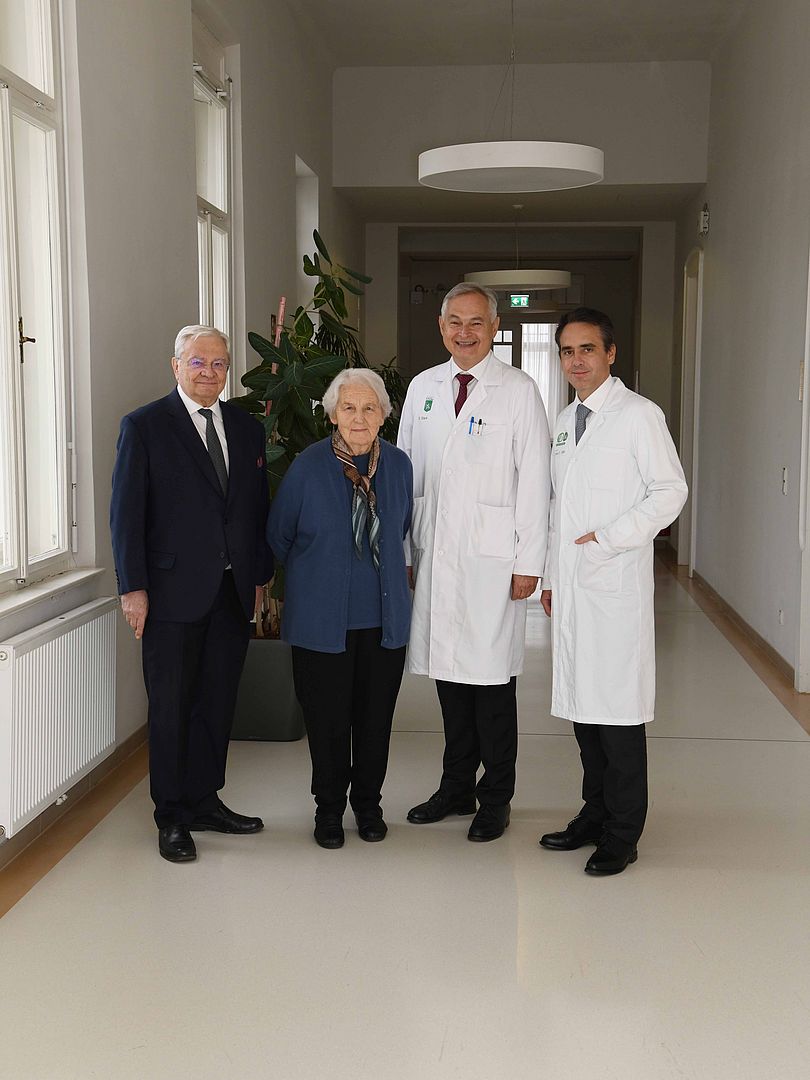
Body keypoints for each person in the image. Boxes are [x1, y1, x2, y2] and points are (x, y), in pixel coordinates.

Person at [110, 325, 272, 863]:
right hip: (169, 593)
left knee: (217, 702)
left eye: (219, 364)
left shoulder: (247, 430)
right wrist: (133, 588)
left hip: (230, 592)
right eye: (198, 362)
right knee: (171, 706)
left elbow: (254, 511)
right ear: (175, 365)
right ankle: (172, 816)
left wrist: (261, 578)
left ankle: (205, 799)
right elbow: (126, 516)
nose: (210, 373)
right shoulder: (145, 426)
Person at [397, 283, 550, 842]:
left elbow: (535, 480)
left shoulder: (518, 390)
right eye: (455, 322)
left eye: (477, 322)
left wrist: (529, 561)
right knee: (449, 680)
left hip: (494, 559)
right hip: (434, 554)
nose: (465, 332)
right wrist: (406, 551)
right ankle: (455, 786)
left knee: (491, 685)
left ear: (493, 328)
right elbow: (405, 475)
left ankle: (496, 796)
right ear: (441, 328)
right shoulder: (424, 388)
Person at [538, 307, 688, 875]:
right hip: (574, 586)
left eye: (587, 350)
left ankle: (624, 832)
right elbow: (559, 507)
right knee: (584, 709)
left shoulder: (638, 416)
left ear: (611, 354)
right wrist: (553, 577)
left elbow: (670, 491)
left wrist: (610, 539)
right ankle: (594, 814)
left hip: (613, 581)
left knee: (618, 715)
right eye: (568, 352)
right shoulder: (563, 420)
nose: (576, 361)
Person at [266, 368, 413, 849]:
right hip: (319, 622)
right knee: (327, 724)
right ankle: (328, 810)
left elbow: (402, 528)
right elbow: (279, 536)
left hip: (383, 622)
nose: (358, 417)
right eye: (348, 407)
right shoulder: (307, 467)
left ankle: (368, 807)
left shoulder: (399, 465)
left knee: (374, 723)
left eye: (369, 407)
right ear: (332, 414)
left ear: (384, 415)